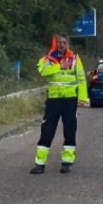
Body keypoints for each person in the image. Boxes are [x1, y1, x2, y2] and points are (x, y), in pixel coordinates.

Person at [34, 35, 87, 174]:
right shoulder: (47, 59)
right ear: (54, 44)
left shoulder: (74, 59)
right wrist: (59, 66)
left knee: (70, 131)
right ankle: (39, 164)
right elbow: (43, 72)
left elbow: (81, 79)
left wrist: (82, 98)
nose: (61, 45)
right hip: (53, 101)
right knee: (47, 131)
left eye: (64, 42)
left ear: (68, 44)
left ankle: (67, 162)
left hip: (70, 100)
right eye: (58, 42)